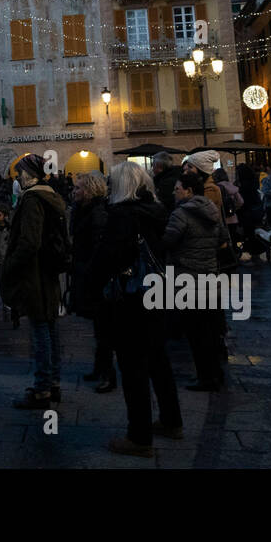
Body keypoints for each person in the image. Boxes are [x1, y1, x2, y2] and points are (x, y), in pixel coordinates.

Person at [103, 162, 181, 457]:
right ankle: (172, 421)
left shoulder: (122, 216)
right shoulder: (157, 211)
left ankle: (139, 436)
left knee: (133, 366)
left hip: (132, 298)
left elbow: (109, 258)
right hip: (158, 292)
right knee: (159, 359)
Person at [1, 154, 68, 410]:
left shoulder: (32, 200)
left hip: (35, 273)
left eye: (20, 173)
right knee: (50, 327)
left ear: (30, 174)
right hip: (49, 270)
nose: (18, 177)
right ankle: (54, 384)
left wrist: (10, 265)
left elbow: (30, 242)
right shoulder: (51, 195)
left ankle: (42, 389)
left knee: (40, 329)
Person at [160, 169, 227, 392]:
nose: (174, 192)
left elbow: (168, 241)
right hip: (210, 275)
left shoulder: (181, 214)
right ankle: (216, 374)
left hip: (187, 278)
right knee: (210, 331)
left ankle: (205, 378)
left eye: (177, 189)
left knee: (196, 334)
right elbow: (223, 240)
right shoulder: (212, 210)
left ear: (188, 191)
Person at [71, 171, 113, 389]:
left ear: (88, 190)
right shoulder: (83, 210)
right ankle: (101, 368)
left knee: (104, 327)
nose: (74, 191)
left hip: (97, 276)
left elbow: (98, 248)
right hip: (86, 272)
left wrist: (89, 272)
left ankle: (107, 374)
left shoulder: (97, 213)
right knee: (99, 326)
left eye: (78, 188)